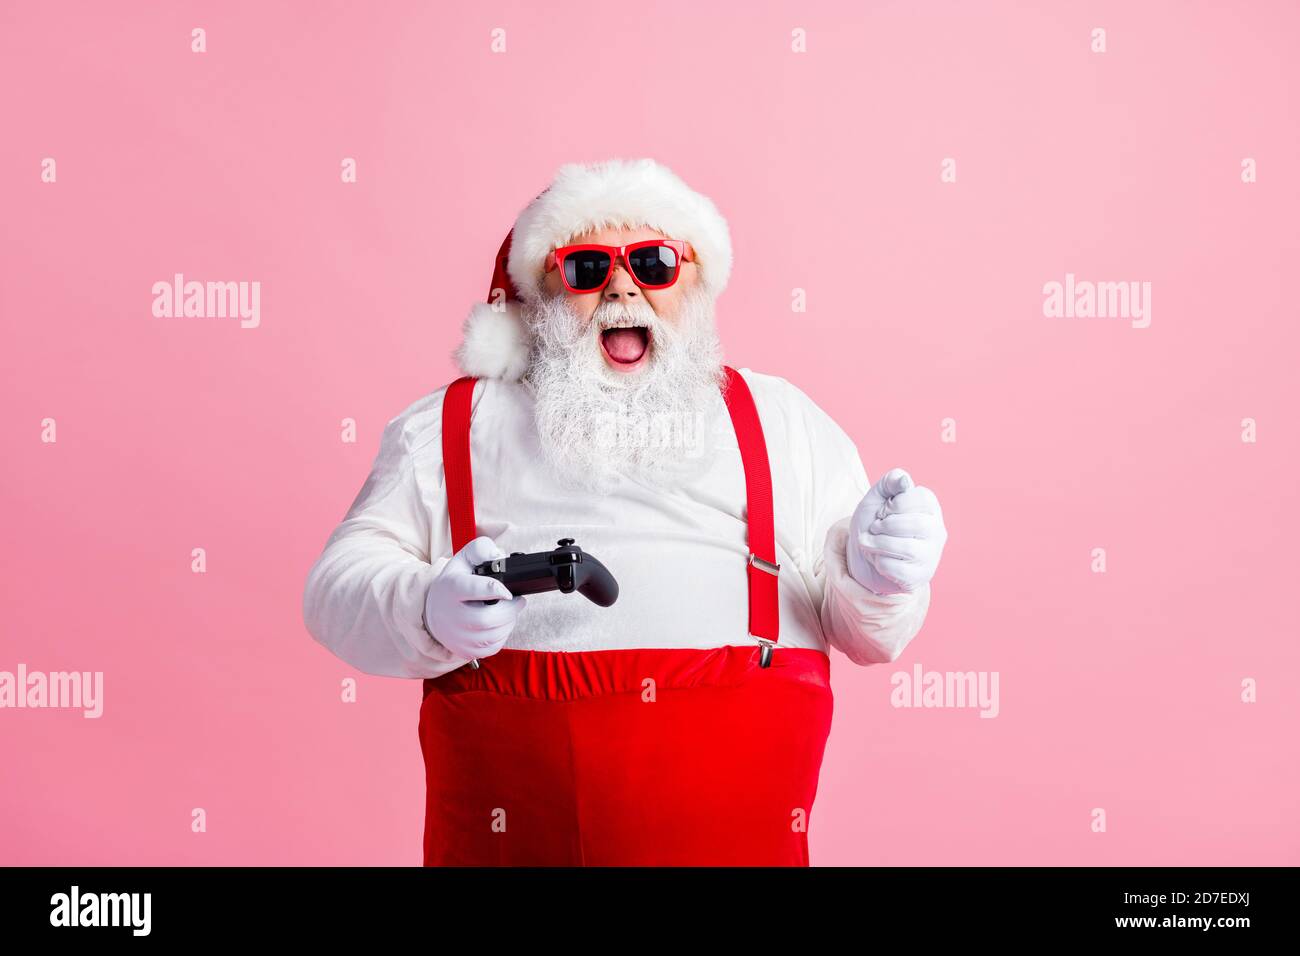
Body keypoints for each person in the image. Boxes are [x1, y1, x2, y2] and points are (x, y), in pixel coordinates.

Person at [302, 157, 948, 866]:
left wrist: (879, 573)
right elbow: (333, 592)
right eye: (584, 268)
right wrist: (425, 607)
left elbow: (870, 636)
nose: (620, 286)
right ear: (537, 295)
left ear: (695, 281)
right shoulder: (452, 425)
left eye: (653, 262)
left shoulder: (783, 423)